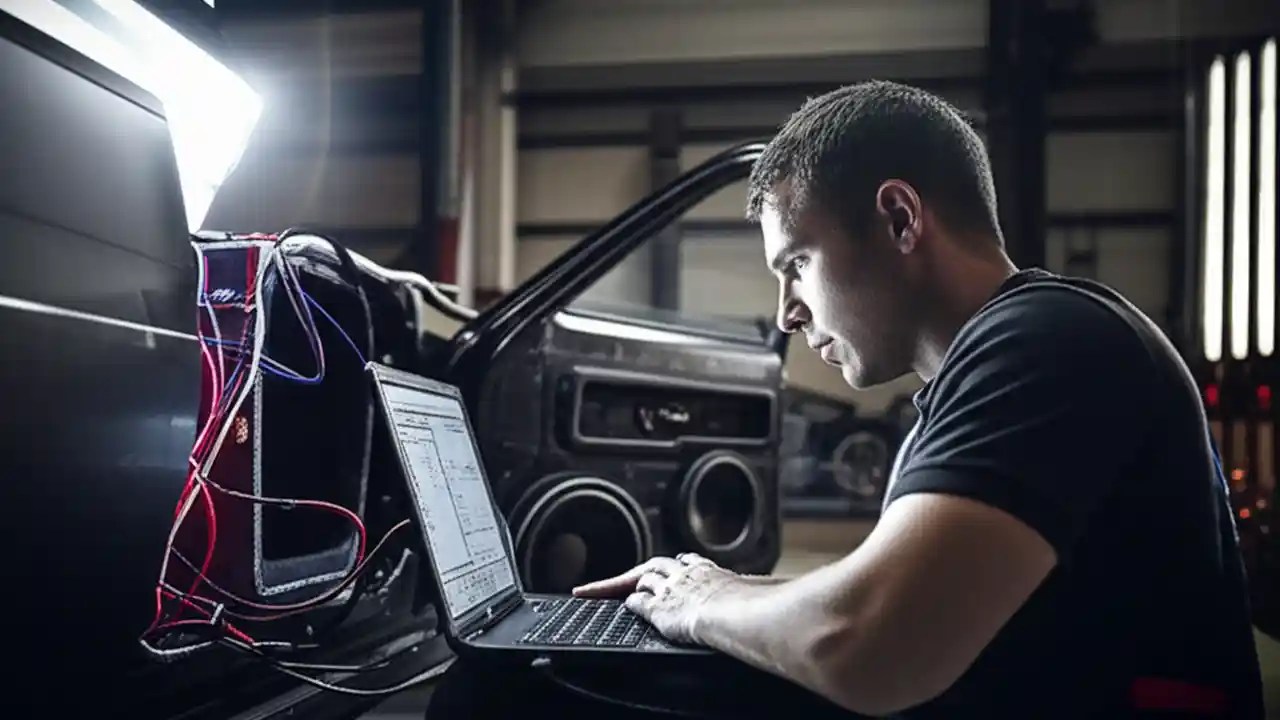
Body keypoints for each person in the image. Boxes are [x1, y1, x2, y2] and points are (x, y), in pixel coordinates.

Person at [571, 80, 1266, 717]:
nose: (787, 312)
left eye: (798, 266)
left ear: (901, 218)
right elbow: (880, 596)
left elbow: (868, 646)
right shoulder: (1000, 360)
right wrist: (715, 585)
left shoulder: (1048, 344)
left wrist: (705, 605)